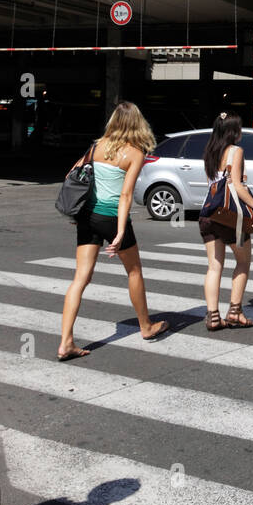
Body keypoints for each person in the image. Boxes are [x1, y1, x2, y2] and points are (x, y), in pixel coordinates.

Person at [57, 102, 168, 360]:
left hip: (87, 216)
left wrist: (76, 212)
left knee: (80, 278)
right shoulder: (134, 153)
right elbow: (126, 195)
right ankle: (145, 326)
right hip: (111, 217)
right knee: (134, 271)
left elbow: (71, 175)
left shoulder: (96, 147)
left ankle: (65, 342)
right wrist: (119, 233)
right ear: (137, 124)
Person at [196, 113, 253, 332]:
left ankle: (213, 316)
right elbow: (237, 186)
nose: (241, 132)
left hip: (208, 213)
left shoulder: (209, 152)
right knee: (243, 262)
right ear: (232, 131)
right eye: (238, 128)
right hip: (229, 217)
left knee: (214, 266)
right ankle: (235, 312)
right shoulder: (236, 151)